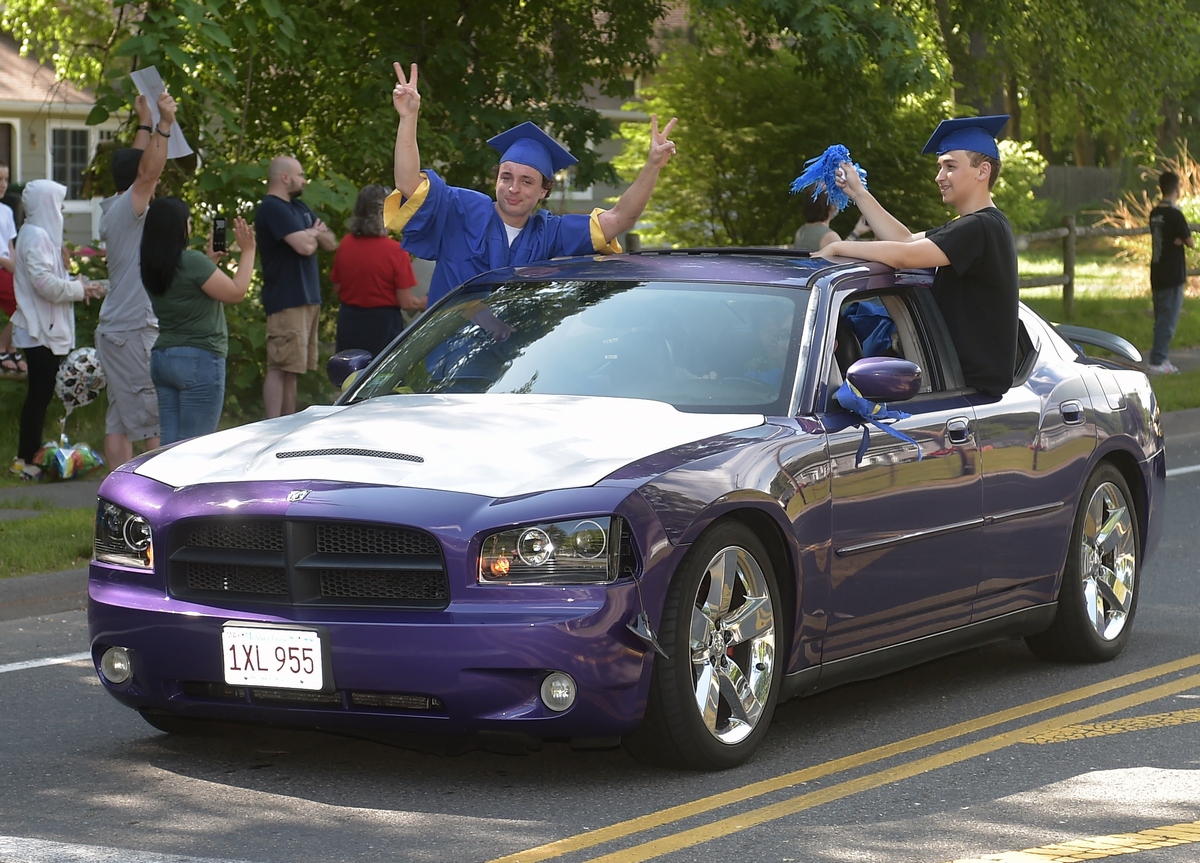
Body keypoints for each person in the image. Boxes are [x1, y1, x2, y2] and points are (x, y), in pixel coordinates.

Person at [385, 62, 677, 305]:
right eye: (506, 177)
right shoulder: (461, 209)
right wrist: (408, 118)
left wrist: (652, 166)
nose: (513, 189)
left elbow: (620, 218)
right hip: (448, 360)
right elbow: (409, 183)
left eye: (527, 181)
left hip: (517, 365)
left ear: (543, 191)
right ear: (496, 178)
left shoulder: (549, 233)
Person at [814, 115, 1018, 397]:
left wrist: (839, 248)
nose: (939, 177)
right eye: (940, 167)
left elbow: (906, 256)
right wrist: (858, 192)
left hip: (969, 393)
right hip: (954, 382)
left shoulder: (981, 228)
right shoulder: (974, 226)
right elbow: (905, 240)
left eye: (950, 166)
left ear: (982, 171)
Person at [94, 92, 177, 468]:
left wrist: (144, 121)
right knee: (150, 423)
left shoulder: (115, 208)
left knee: (119, 419)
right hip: (131, 333)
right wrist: (164, 125)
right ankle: (153, 490)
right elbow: (147, 171)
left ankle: (116, 494)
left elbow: (138, 166)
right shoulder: (130, 209)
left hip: (116, 330)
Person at [9, 180, 105, 479]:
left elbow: (52, 278)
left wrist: (80, 286)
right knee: (39, 394)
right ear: (45, 204)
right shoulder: (35, 235)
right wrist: (79, 289)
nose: (62, 208)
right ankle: (25, 460)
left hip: (42, 326)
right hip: (40, 330)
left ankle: (28, 456)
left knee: (41, 392)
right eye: (58, 202)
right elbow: (46, 285)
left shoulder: (38, 234)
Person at [140, 198, 256, 443]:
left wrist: (210, 260)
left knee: (170, 446)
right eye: (188, 221)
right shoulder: (192, 262)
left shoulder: (152, 266)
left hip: (164, 358)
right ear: (178, 227)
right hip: (198, 358)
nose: (190, 225)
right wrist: (249, 250)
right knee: (195, 446)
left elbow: (190, 290)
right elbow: (236, 292)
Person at [255, 155, 338, 418]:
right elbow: (304, 247)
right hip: (286, 298)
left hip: (307, 298)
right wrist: (311, 234)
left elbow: (330, 241)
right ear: (285, 177)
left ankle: (287, 424)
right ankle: (272, 426)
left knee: (294, 369)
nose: (304, 180)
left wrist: (312, 234)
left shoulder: (299, 207)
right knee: (279, 366)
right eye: (301, 175)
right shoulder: (271, 208)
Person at [331, 184, 424, 356]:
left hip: (349, 321)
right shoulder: (395, 251)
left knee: (349, 378)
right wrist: (425, 302)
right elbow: (407, 302)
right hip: (382, 325)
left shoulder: (345, 244)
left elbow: (337, 288)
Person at [1147, 170, 1194, 375]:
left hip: (1157, 269)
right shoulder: (1175, 214)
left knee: (1161, 317)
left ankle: (1160, 356)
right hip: (1173, 272)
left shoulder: (1155, 213)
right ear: (1177, 188)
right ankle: (1158, 360)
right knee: (1168, 320)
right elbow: (1190, 241)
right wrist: (1181, 240)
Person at [0, 160, 23, 375]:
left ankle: (12, 347)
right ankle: (1, 347)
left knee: (28, 299)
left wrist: (15, 265)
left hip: (7, 267)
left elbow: (9, 244)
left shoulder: (6, 211)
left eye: (6, 179)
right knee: (22, 305)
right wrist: (7, 264)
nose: (3, 184)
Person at [792, 190, 870, 252]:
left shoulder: (801, 231)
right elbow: (842, 259)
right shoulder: (829, 236)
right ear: (831, 206)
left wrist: (857, 231)